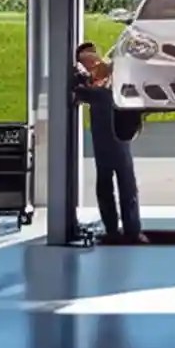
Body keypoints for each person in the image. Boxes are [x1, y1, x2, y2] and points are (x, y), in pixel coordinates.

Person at [73, 42, 146, 242]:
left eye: (93, 57)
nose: (93, 62)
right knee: (108, 188)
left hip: (119, 142)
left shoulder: (109, 85)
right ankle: (113, 230)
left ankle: (131, 230)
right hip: (104, 144)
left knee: (127, 187)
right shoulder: (94, 90)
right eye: (87, 60)